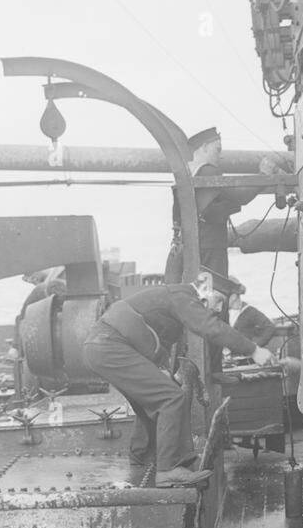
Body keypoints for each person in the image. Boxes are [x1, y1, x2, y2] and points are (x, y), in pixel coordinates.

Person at [83, 281, 274, 486]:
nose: (219, 308)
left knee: (151, 400)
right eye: (218, 300)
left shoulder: (170, 301)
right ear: (204, 288)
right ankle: (168, 469)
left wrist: (166, 370)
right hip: (110, 345)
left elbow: (156, 340)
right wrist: (253, 349)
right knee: (171, 398)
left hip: (102, 346)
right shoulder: (181, 295)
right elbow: (210, 327)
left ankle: (142, 457)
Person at [169, 127, 251, 284]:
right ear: (205, 147)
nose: (219, 156)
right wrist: (264, 176)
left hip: (192, 247)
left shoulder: (187, 173)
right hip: (211, 246)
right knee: (216, 290)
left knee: (197, 290)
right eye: (217, 150)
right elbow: (241, 196)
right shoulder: (208, 171)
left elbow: (202, 210)